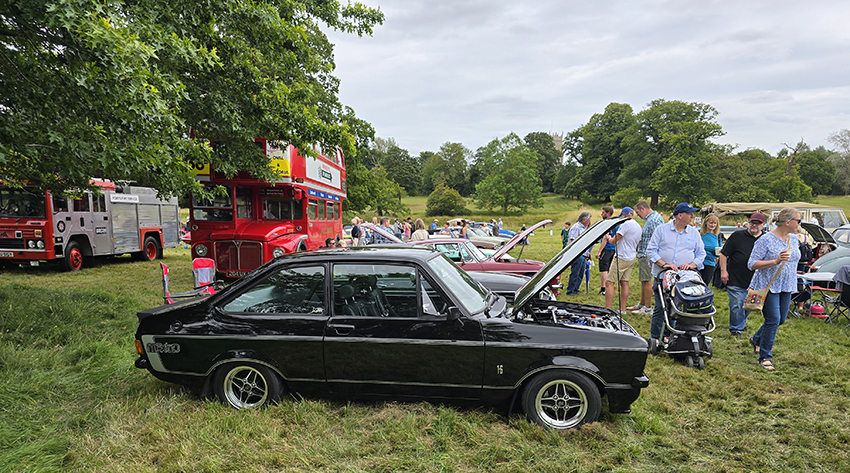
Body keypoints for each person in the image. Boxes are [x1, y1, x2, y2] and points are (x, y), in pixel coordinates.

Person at [747, 208, 801, 371]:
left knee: (781, 320)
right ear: (788, 222)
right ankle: (765, 356)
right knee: (773, 320)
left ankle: (757, 339)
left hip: (786, 285)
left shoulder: (794, 238)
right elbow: (752, 264)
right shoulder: (766, 240)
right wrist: (775, 261)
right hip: (768, 285)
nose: (800, 224)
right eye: (798, 221)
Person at [647, 202, 706, 344]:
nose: (693, 216)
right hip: (663, 276)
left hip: (685, 278)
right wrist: (665, 264)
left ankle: (670, 337)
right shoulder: (661, 230)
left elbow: (701, 254)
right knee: (661, 308)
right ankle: (654, 338)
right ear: (680, 215)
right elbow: (651, 250)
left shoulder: (694, 233)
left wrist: (691, 265)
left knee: (679, 308)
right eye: (689, 214)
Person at [718, 212, 766, 336]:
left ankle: (740, 324)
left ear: (763, 225)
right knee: (737, 304)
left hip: (756, 280)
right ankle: (735, 328)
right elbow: (724, 254)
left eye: (758, 223)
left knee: (749, 305)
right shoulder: (737, 236)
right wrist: (724, 271)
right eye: (752, 223)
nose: (754, 225)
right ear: (748, 223)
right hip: (735, 276)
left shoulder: (766, 239)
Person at [628, 201, 663, 315]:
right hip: (644, 254)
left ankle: (647, 308)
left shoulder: (653, 220)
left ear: (643, 208)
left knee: (647, 280)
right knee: (644, 280)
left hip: (649, 255)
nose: (637, 215)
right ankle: (642, 303)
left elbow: (658, 240)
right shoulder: (651, 218)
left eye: (637, 212)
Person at [605, 207, 642, 314]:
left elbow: (613, 241)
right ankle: (622, 310)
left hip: (621, 257)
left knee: (609, 282)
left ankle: (607, 309)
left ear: (624, 215)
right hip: (631, 256)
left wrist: (608, 237)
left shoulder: (625, 225)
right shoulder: (638, 226)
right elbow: (637, 244)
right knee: (624, 282)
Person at [565, 212, 592, 295]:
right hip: (577, 254)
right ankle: (570, 290)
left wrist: (587, 252)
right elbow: (573, 241)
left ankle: (576, 289)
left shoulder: (583, 228)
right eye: (589, 220)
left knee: (580, 273)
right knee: (575, 273)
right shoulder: (576, 227)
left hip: (583, 253)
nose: (589, 222)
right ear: (584, 220)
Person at [595, 206, 616, 295]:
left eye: (603, 212)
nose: (601, 214)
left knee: (604, 269)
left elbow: (605, 238)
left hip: (606, 249)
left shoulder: (607, 223)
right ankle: (610, 287)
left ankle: (603, 288)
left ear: (608, 214)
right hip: (614, 249)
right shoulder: (616, 223)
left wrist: (599, 251)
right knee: (610, 269)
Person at [699, 214, 723, 286]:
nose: (712, 225)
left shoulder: (718, 236)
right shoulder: (699, 233)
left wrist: (719, 252)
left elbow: (720, 249)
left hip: (710, 264)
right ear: (706, 222)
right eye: (711, 223)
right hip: (698, 263)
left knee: (704, 285)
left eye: (715, 223)